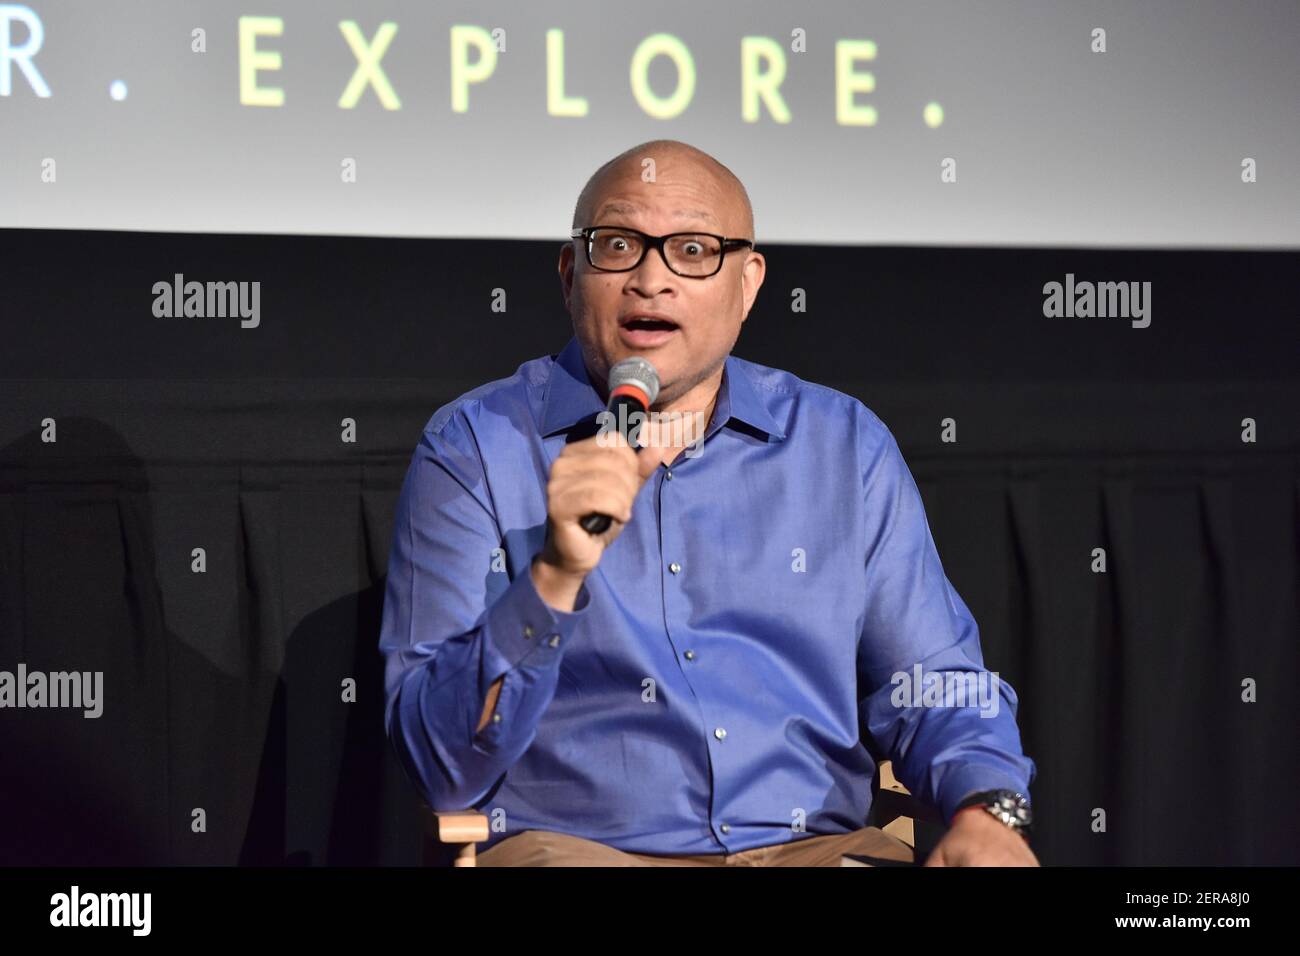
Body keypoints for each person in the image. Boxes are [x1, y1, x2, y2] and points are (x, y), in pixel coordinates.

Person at [379, 139, 1038, 866]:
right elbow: (437, 761)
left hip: (814, 850)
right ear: (571, 274)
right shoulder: (476, 445)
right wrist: (553, 578)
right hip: (583, 852)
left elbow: (935, 680)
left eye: (692, 249)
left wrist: (988, 811)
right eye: (619, 244)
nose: (651, 279)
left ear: (748, 283)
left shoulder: (842, 445)